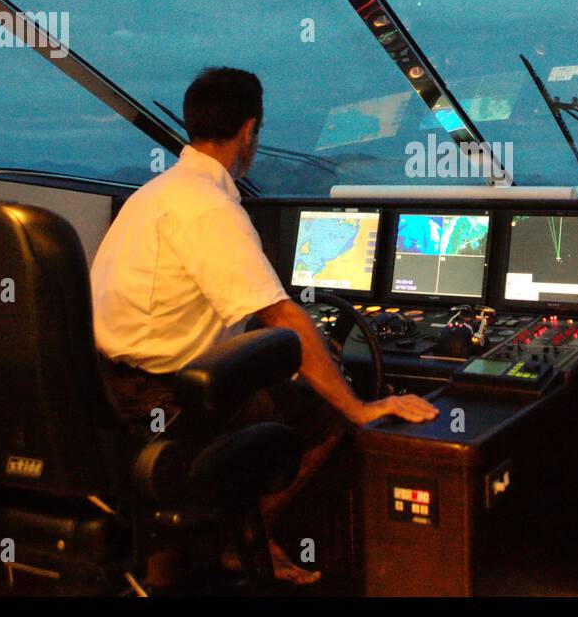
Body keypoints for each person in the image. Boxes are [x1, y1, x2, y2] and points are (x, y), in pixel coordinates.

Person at [90, 67, 437, 584]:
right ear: (249, 132)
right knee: (327, 409)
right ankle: (244, 537)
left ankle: (205, 544)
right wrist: (363, 407)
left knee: (292, 378)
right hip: (166, 399)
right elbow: (284, 317)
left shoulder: (153, 195)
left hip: (109, 387)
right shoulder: (210, 209)